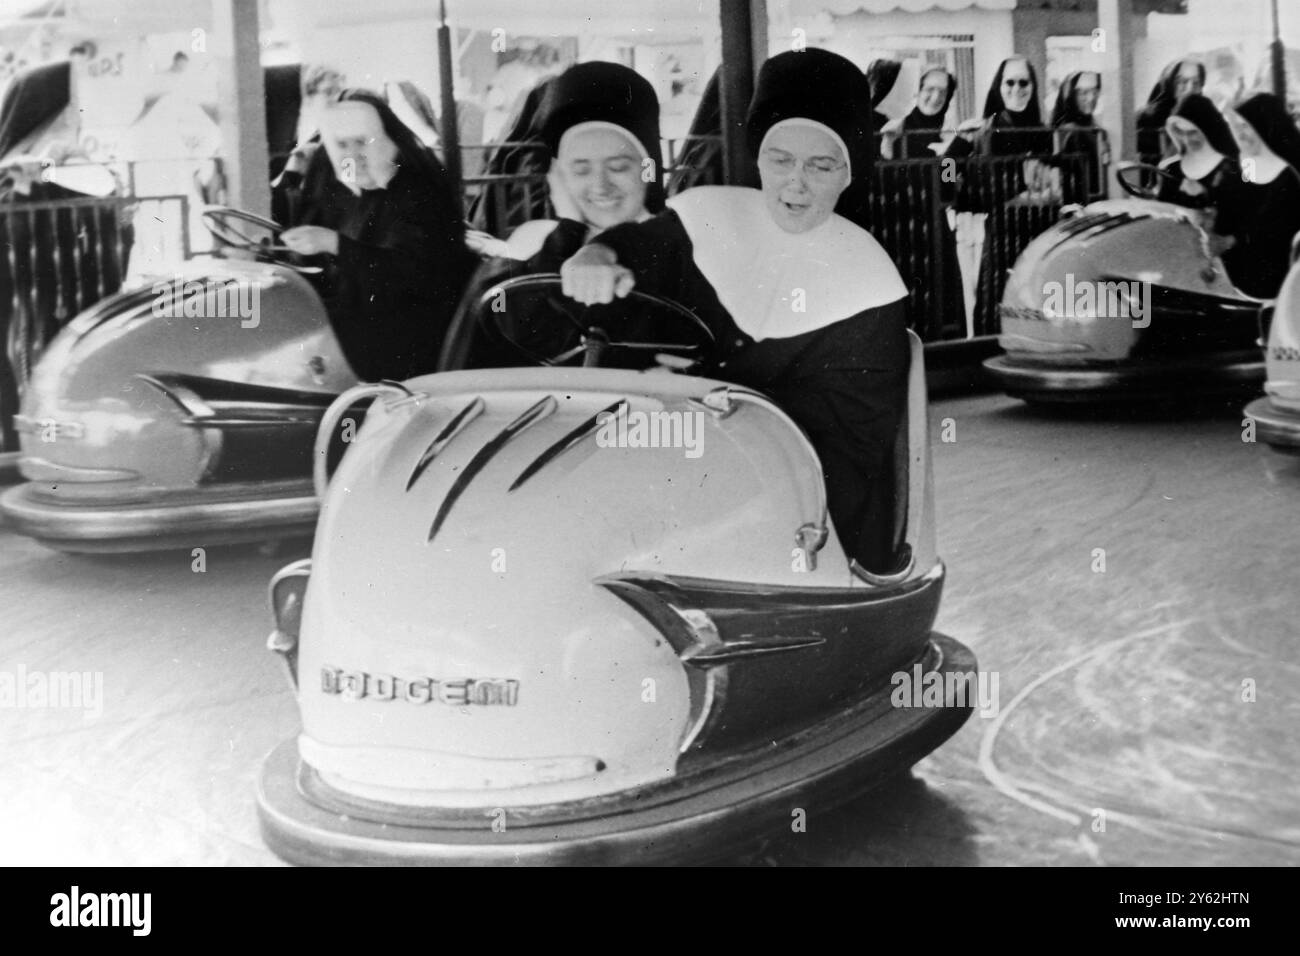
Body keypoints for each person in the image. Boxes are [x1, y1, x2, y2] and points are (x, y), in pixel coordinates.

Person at [558, 49, 911, 576]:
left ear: (848, 174)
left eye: (821, 164)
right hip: (675, 466)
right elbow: (635, 246)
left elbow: (843, 447)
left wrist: (697, 399)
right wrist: (598, 253)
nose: (796, 183)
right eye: (780, 159)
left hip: (804, 508)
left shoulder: (869, 283)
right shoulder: (708, 216)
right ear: (758, 160)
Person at [451, 61, 666, 368]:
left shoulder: (685, 242)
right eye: (580, 169)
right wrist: (568, 231)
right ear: (558, 175)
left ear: (648, 169)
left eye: (618, 167)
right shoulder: (532, 243)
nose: (600, 186)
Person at [280, 90, 476, 382]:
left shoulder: (416, 191)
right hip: (370, 318)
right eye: (342, 145)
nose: (352, 155)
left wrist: (334, 244)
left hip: (413, 333)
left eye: (361, 142)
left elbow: (415, 273)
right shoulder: (345, 192)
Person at [1221, 93, 1300, 298]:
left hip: (1280, 282)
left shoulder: (1290, 174)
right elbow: (1244, 202)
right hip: (1237, 278)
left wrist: (1231, 240)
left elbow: (1273, 229)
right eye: (1235, 126)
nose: (1240, 134)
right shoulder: (1245, 163)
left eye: (1246, 125)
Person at [1136, 58, 1206, 167]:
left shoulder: (1206, 117)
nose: (1190, 88)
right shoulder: (1147, 117)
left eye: (1196, 83)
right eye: (1182, 82)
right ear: (1170, 84)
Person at [1051, 70, 1108, 200]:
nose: (1091, 98)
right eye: (1083, 93)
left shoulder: (1094, 126)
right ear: (1070, 96)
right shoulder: (1070, 130)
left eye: (1095, 92)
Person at [881, 68, 957, 159]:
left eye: (942, 92)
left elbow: (949, 173)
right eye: (930, 89)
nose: (936, 97)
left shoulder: (950, 131)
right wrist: (888, 146)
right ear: (918, 92)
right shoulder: (895, 127)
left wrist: (952, 152)